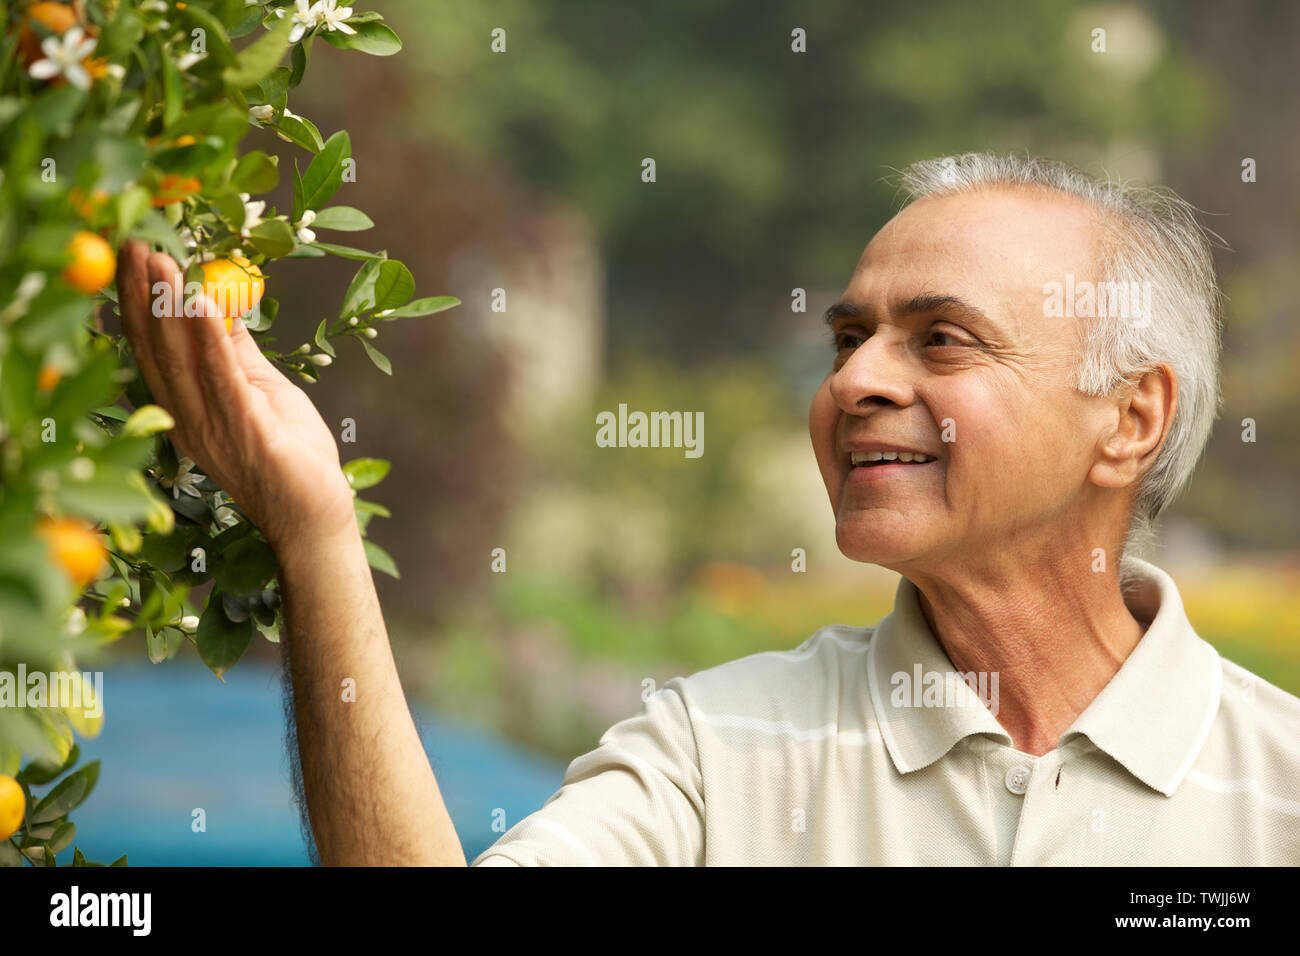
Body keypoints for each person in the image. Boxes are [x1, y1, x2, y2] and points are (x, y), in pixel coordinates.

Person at [114, 153, 1300, 865]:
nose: (853, 381)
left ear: (1130, 418)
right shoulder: (718, 750)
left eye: (940, 338)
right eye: (848, 338)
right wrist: (316, 528)